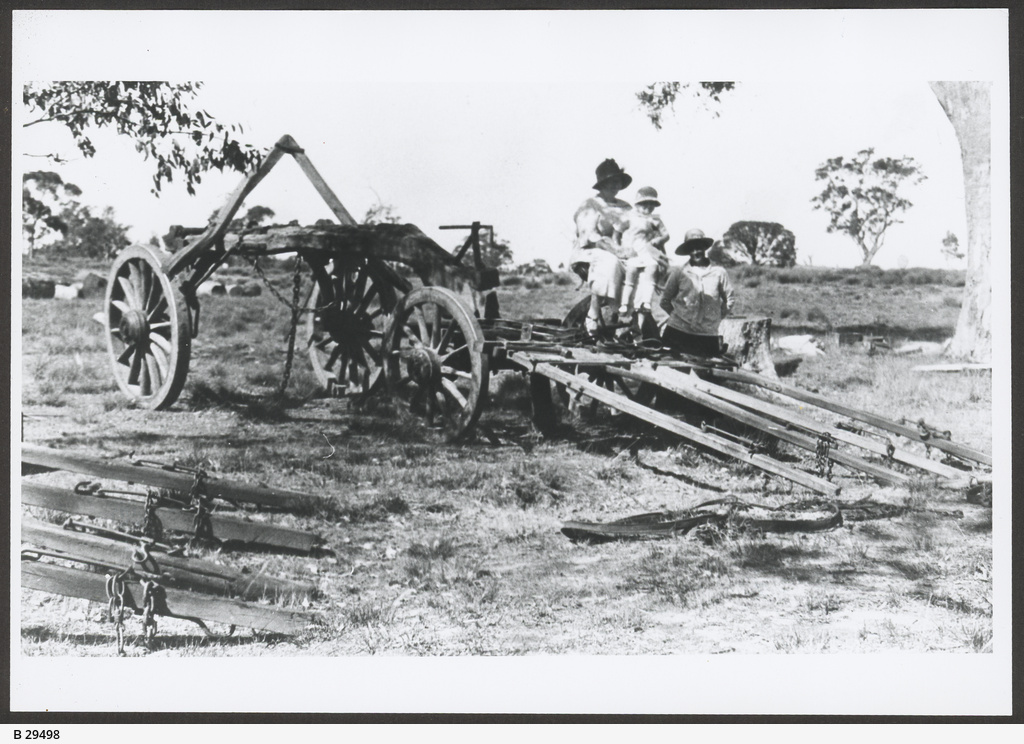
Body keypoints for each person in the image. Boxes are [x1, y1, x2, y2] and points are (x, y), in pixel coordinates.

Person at [570, 159, 634, 336]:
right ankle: (593, 312)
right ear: (603, 184)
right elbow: (590, 237)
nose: (615, 186)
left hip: (621, 252)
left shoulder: (626, 207)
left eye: (618, 182)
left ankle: (628, 320)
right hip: (590, 252)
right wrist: (616, 250)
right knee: (609, 261)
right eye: (611, 182)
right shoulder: (590, 205)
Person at [659, 228, 735, 356]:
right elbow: (665, 301)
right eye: (691, 249)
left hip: (706, 334)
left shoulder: (719, 272)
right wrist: (679, 316)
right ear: (688, 252)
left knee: (706, 372)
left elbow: (730, 299)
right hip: (678, 332)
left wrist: (715, 318)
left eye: (699, 247)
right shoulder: (679, 272)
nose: (696, 252)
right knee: (671, 369)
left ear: (705, 248)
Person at [619, 186, 670, 320]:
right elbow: (616, 232)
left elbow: (666, 235)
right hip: (631, 251)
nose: (647, 208)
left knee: (651, 269)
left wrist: (658, 240)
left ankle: (646, 303)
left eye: (651, 205)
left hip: (646, 250)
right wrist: (620, 248)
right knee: (630, 274)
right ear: (637, 204)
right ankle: (624, 304)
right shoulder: (628, 217)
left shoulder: (655, 219)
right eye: (644, 204)